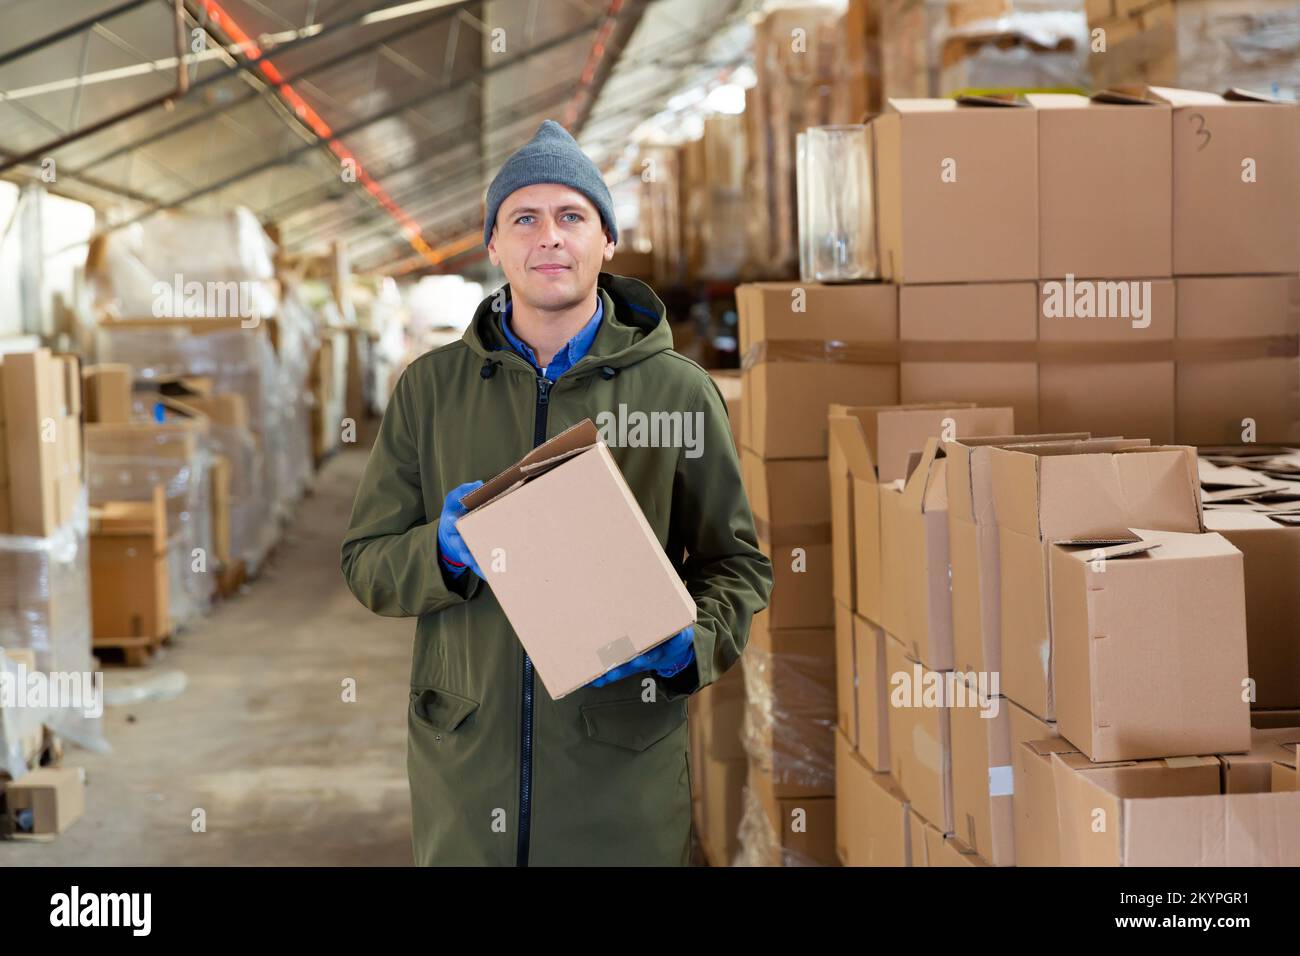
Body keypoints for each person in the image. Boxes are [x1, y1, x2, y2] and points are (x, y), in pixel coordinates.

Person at [341, 119, 773, 866]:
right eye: (525, 218)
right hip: (468, 771)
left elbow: (738, 565)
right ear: (495, 246)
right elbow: (366, 562)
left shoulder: (677, 392)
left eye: (573, 216)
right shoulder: (430, 391)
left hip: (618, 775)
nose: (550, 237)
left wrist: (686, 647)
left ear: (606, 241)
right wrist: (438, 554)